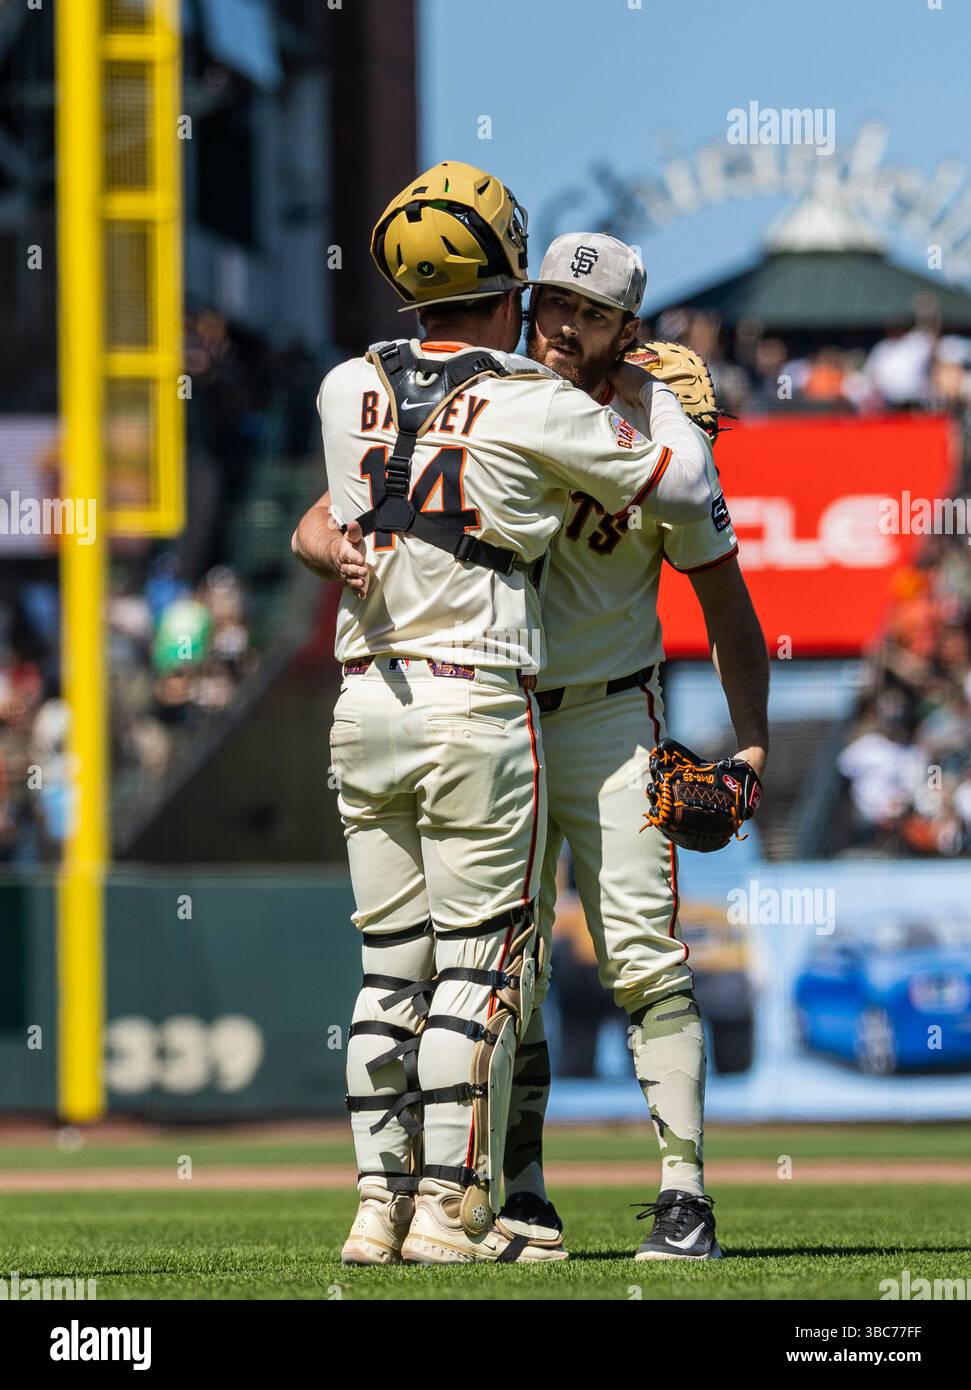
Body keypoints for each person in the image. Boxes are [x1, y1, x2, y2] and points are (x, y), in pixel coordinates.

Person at [291, 165, 715, 1265]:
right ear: (513, 280)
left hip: (363, 695)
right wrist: (653, 394)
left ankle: (373, 1208)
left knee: (391, 973)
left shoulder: (348, 385)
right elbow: (675, 480)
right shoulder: (534, 399)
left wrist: (331, 545)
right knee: (482, 969)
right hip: (478, 698)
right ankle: (450, 1207)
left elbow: (336, 513)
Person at [496, 234, 769, 1261]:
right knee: (505, 968)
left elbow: (729, 611)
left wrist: (751, 748)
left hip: (612, 716)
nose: (562, 324)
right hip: (496, 707)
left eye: (588, 312)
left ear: (627, 334)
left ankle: (683, 1191)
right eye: (550, 305)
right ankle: (518, 1192)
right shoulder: (497, 399)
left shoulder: (673, 449)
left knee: (646, 960)